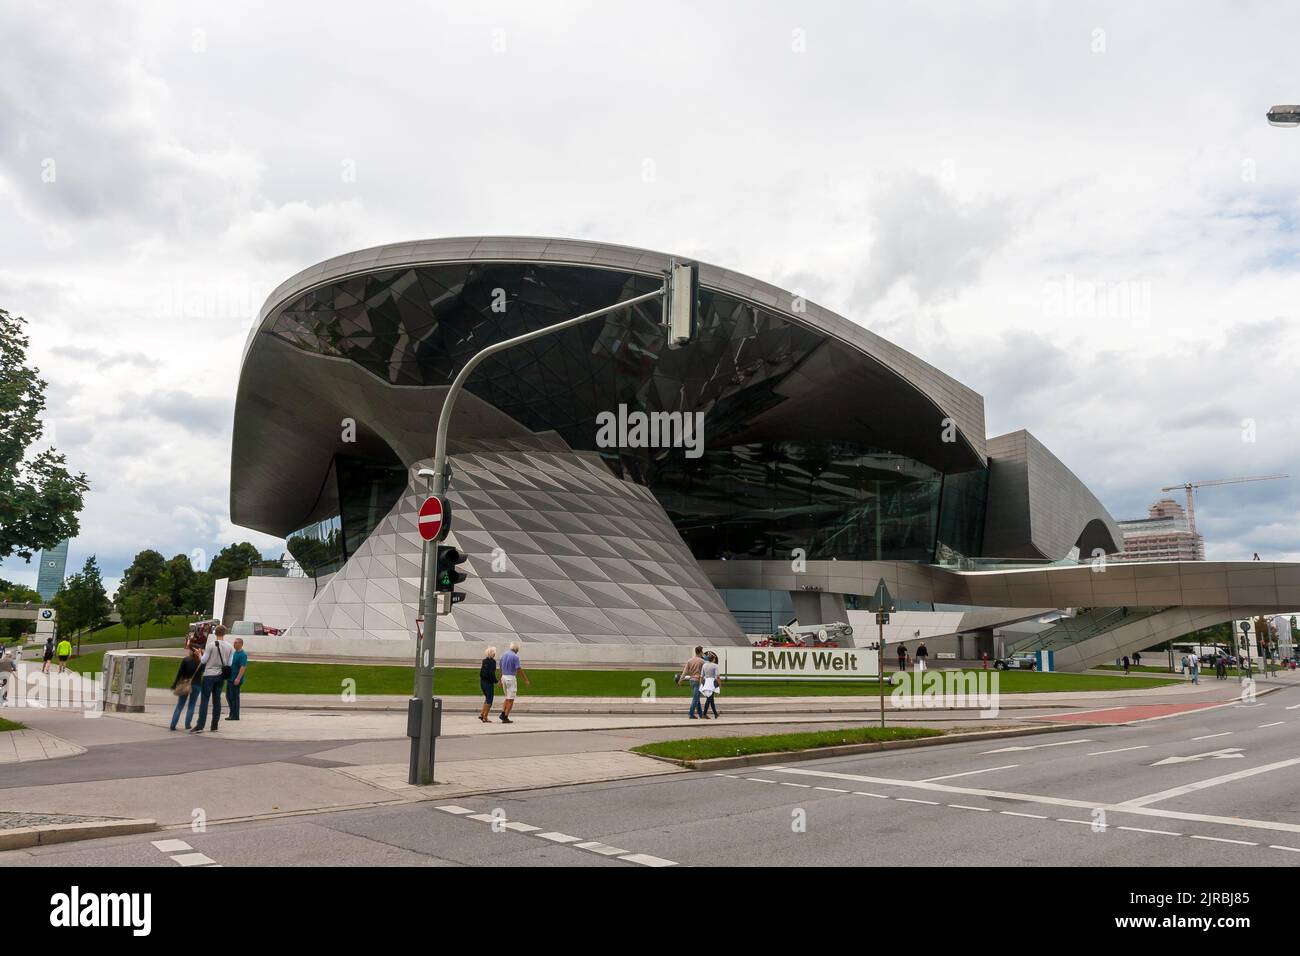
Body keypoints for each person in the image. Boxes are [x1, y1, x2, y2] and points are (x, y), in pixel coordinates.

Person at [192, 625, 233, 734]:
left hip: (209, 674)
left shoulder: (211, 645)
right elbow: (229, 663)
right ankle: (214, 725)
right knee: (217, 701)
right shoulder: (229, 646)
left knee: (204, 701)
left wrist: (199, 654)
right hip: (221, 675)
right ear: (225, 633)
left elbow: (204, 661)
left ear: (215, 633)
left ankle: (200, 725)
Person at [170, 646, 203, 732]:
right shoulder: (201, 662)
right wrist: (201, 656)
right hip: (197, 684)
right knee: (191, 705)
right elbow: (203, 670)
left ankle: (173, 724)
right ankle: (187, 724)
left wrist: (174, 684)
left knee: (180, 705)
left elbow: (180, 673)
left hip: (185, 683)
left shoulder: (186, 660)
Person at [498, 641, 529, 724]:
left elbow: (500, 667)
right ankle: (505, 716)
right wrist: (525, 679)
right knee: (511, 699)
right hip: (510, 677)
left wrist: (499, 679)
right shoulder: (515, 657)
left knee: (507, 697)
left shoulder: (503, 655)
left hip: (503, 677)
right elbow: (518, 669)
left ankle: (503, 713)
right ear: (516, 649)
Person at [679, 645, 705, 719]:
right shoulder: (702, 661)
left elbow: (685, 671)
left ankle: (701, 714)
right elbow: (703, 673)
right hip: (698, 680)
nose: (703, 653)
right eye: (702, 651)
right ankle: (691, 714)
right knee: (695, 698)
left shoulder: (690, 660)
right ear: (700, 652)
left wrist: (681, 680)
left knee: (697, 698)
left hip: (691, 680)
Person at [225, 637, 248, 720]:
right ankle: (232, 713)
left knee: (234, 697)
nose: (235, 644)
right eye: (234, 642)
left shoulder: (242, 654)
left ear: (241, 644)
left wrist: (238, 678)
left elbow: (243, 667)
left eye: (237, 642)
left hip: (236, 679)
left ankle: (235, 715)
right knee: (228, 696)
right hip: (230, 678)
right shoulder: (234, 653)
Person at [478, 646, 499, 723]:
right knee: (490, 700)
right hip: (489, 683)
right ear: (492, 653)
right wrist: (496, 682)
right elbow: (491, 674)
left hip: (482, 682)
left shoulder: (484, 661)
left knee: (487, 698)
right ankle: (485, 717)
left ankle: (482, 714)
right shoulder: (492, 662)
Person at [701, 651, 722, 719]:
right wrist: (719, 684)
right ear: (713, 659)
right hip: (711, 682)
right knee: (709, 698)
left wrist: (702, 683)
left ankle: (715, 714)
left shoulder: (704, 665)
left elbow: (702, 676)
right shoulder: (715, 666)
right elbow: (717, 676)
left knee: (711, 698)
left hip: (706, 681)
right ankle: (704, 714)